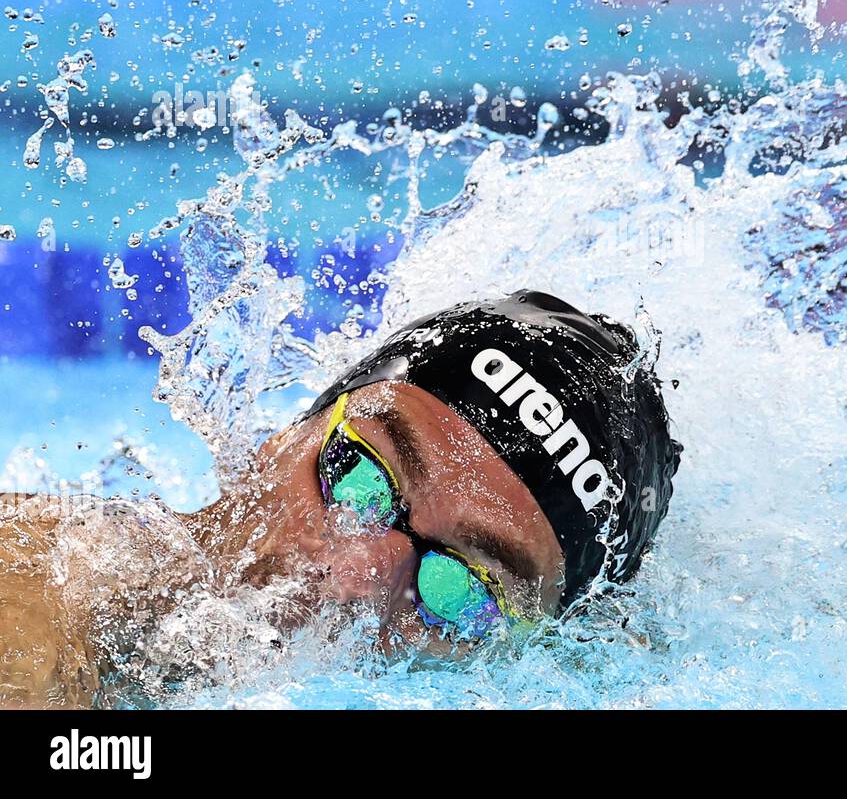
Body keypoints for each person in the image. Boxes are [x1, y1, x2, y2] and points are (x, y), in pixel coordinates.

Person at [0, 290, 682, 708]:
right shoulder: (45, 584)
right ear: (285, 437)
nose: (360, 575)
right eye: (358, 475)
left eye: (462, 587)